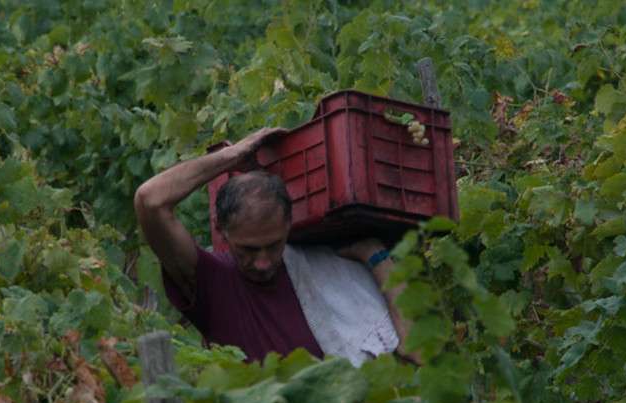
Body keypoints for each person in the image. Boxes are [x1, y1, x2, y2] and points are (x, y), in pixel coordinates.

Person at [133, 127, 418, 365]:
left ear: (289, 224)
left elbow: (417, 351)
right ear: (222, 230)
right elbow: (150, 199)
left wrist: (375, 255)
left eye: (273, 245)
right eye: (248, 249)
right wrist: (233, 156)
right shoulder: (213, 282)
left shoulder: (328, 267)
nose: (263, 262)